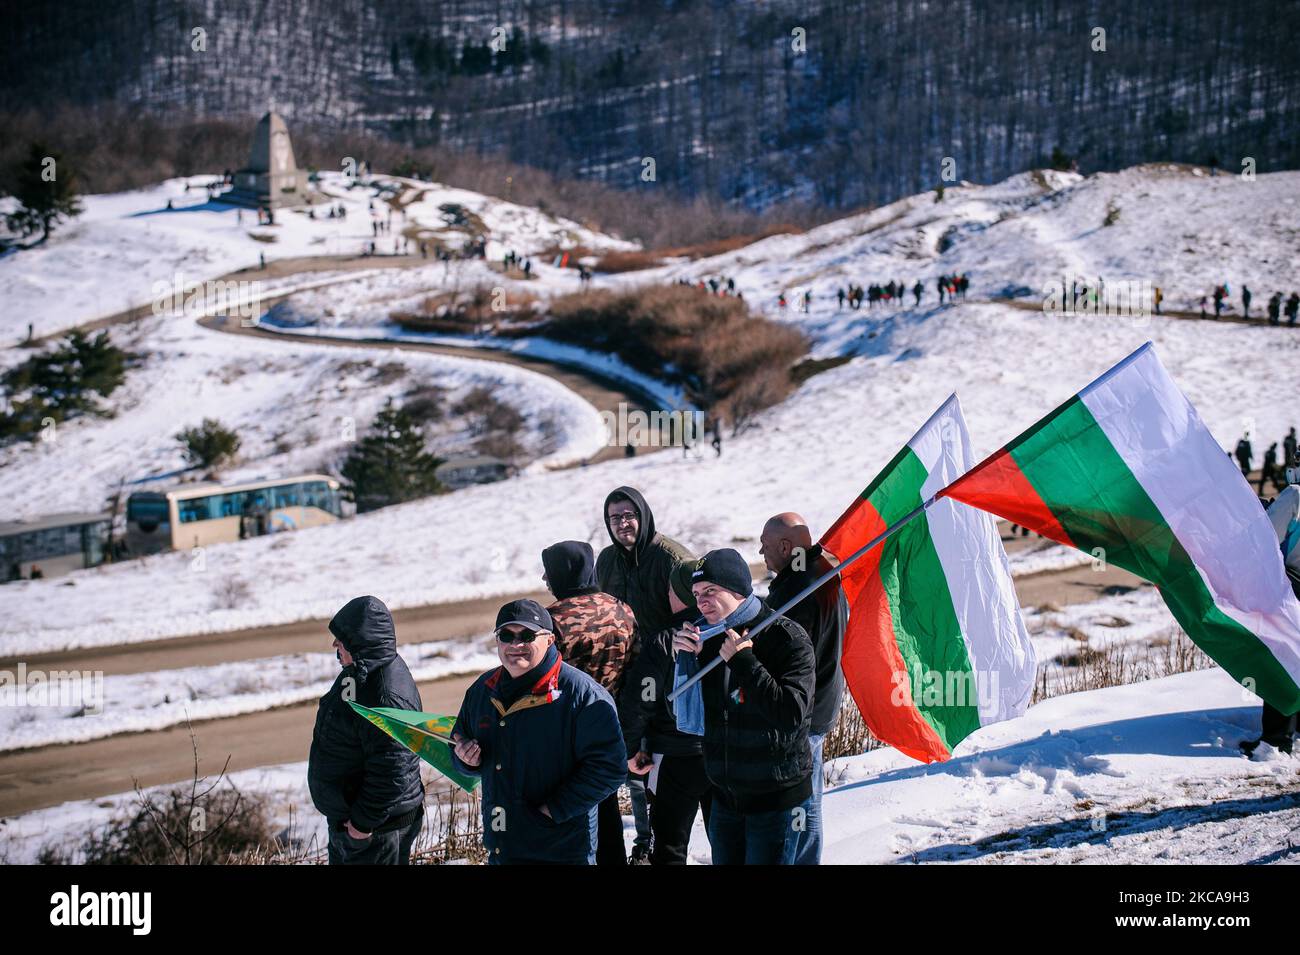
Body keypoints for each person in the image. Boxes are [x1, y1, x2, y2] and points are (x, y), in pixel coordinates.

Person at [449, 599, 626, 864]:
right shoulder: (482, 691)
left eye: (527, 636)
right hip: (502, 846)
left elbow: (610, 768)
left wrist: (551, 811)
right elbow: (457, 745)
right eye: (506, 636)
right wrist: (465, 760)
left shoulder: (582, 695)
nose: (515, 645)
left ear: (550, 640)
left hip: (561, 848)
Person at [672, 548, 816, 865]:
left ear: (737, 589)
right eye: (696, 593)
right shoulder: (704, 637)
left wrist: (745, 662)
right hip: (725, 799)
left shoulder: (785, 637)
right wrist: (687, 663)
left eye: (711, 590)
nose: (701, 601)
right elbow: (692, 719)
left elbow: (791, 715)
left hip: (777, 801)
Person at [597, 487, 694, 861]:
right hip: (627, 674)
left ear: (643, 514)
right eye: (614, 518)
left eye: (628, 515)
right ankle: (644, 838)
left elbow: (697, 604)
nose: (622, 523)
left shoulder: (669, 556)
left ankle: (660, 834)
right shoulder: (606, 561)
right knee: (635, 757)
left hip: (670, 671)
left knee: (661, 762)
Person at [308, 596, 426, 864]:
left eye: (341, 639)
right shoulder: (364, 672)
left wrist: (362, 823)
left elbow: (393, 766)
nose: (334, 645)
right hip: (366, 826)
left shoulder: (384, 694)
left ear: (361, 642)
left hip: (376, 831)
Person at [543, 541, 637, 865]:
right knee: (607, 808)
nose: (545, 578)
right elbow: (637, 671)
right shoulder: (622, 609)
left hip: (564, 735)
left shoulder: (551, 622)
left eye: (549, 571)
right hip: (612, 726)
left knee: (572, 817)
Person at [760, 513, 847, 865]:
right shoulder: (820, 572)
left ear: (785, 546)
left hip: (804, 712)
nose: (761, 552)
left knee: (800, 804)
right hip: (820, 702)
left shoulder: (800, 589)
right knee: (808, 800)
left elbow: (786, 656)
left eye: (765, 546)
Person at [618, 559, 711, 864]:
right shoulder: (725, 632)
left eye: (671, 589)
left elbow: (639, 702)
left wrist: (632, 751)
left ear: (682, 593)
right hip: (720, 754)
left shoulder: (664, 640)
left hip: (672, 757)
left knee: (669, 844)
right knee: (728, 839)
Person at [1239, 466, 1300, 756]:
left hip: (1291, 586)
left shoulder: (1296, 495)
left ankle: (1276, 739)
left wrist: (1263, 514)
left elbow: (1266, 539)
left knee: (1281, 659)